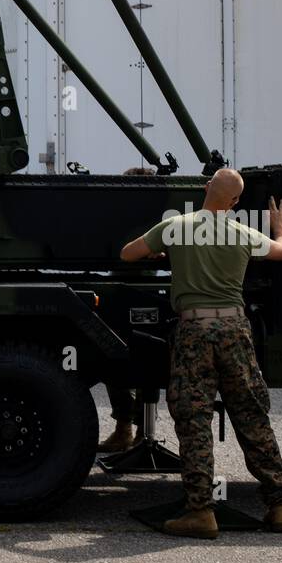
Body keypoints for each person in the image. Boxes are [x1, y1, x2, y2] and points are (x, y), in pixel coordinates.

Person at [120, 168, 282, 540]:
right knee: (251, 415)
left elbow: (128, 253)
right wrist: (278, 226)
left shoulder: (176, 226)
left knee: (194, 419)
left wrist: (168, 251)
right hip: (235, 329)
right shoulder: (244, 232)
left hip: (194, 330)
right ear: (235, 202)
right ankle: (278, 506)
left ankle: (201, 512)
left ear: (205, 188)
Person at [99, 166, 156, 452]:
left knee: (133, 362)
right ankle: (132, 431)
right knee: (121, 361)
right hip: (128, 294)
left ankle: (135, 432)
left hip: (136, 295)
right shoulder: (129, 218)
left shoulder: (149, 220)